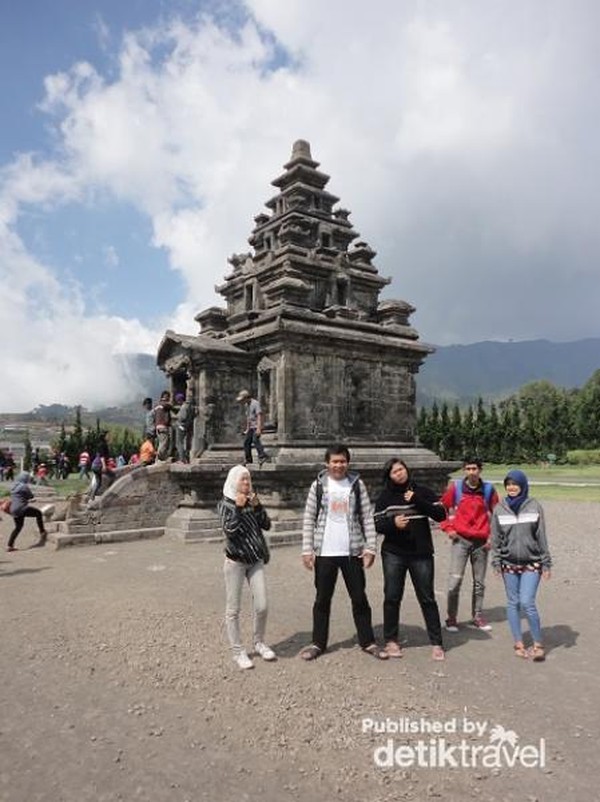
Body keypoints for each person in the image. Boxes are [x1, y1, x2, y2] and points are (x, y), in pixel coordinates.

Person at [299, 444, 388, 661]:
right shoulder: (318, 485)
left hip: (352, 552)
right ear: (327, 463)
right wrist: (307, 549)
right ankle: (318, 643)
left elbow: (367, 516)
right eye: (335, 461)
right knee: (322, 599)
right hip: (324, 552)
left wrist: (370, 548)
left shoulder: (356, 485)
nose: (338, 465)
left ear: (348, 463)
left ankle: (368, 641)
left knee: (359, 597)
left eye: (342, 461)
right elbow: (309, 518)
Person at [374, 459, 447, 661]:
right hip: (394, 553)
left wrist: (417, 500)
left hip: (421, 553)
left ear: (407, 470)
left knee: (427, 597)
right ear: (389, 476)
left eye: (401, 469)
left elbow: (441, 515)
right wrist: (393, 523)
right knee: (392, 596)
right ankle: (391, 640)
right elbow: (377, 524)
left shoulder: (422, 491)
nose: (399, 473)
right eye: (394, 472)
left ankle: (437, 642)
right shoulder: (385, 497)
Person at [219, 464, 276, 670]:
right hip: (235, 561)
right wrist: (238, 508)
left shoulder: (252, 501)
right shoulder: (225, 504)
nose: (246, 483)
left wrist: (258, 506)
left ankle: (259, 642)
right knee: (233, 609)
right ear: (234, 482)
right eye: (243, 479)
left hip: (255, 560)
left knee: (262, 605)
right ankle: (238, 651)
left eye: (248, 479)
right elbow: (230, 530)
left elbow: (266, 525)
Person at [491, 470, 552, 662]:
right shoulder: (499, 508)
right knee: (513, 602)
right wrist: (496, 561)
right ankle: (518, 643)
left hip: (532, 563)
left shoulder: (534, 506)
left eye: (515, 484)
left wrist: (546, 563)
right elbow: (496, 538)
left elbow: (541, 536)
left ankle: (538, 644)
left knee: (527, 602)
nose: (511, 487)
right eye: (508, 484)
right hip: (508, 563)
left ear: (523, 485)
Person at [441, 457, 499, 632]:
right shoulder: (456, 488)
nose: (471, 472)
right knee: (454, 582)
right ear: (464, 470)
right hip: (461, 540)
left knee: (479, 583)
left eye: (474, 468)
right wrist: (448, 528)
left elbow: (497, 515)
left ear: (480, 470)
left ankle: (477, 617)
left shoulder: (488, 490)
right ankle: (451, 618)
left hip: (481, 542)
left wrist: (492, 537)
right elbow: (442, 509)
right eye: (468, 469)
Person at [6, 472, 48, 551]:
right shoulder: (24, 486)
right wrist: (29, 498)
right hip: (21, 508)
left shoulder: (14, 486)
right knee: (38, 513)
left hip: (13, 509)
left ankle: (10, 545)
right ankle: (42, 531)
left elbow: (19, 497)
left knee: (18, 527)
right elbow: (31, 496)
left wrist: (25, 499)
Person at [236, 389, 269, 466]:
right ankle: (248, 459)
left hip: (256, 426)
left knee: (255, 440)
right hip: (251, 427)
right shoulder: (247, 405)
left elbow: (259, 416)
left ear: (246, 398)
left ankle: (262, 456)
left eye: (243, 400)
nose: (242, 402)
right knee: (246, 442)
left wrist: (259, 428)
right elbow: (248, 418)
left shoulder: (255, 403)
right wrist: (247, 429)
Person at [174, 392, 193, 463]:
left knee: (179, 443)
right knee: (184, 443)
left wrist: (176, 417)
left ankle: (182, 459)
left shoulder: (184, 407)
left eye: (177, 400)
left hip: (181, 426)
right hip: (186, 426)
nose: (177, 402)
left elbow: (183, 417)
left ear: (180, 400)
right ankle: (185, 458)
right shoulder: (189, 406)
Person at [154, 391, 172, 461]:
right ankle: (160, 456)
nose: (169, 398)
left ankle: (158, 459)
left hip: (157, 426)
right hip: (163, 426)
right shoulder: (164, 404)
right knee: (164, 442)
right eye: (168, 397)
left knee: (161, 443)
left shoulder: (157, 406)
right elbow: (170, 406)